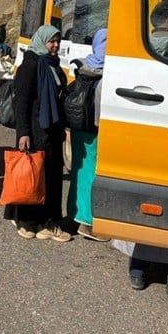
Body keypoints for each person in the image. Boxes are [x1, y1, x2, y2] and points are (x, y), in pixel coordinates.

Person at [4, 24, 71, 242]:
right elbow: (21, 102)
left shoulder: (53, 65)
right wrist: (23, 132)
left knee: (50, 176)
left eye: (58, 41)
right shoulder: (31, 65)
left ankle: (48, 221)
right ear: (42, 41)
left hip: (51, 130)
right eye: (52, 41)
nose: (55, 45)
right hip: (33, 130)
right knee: (31, 175)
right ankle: (26, 221)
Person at [66, 28, 108, 242]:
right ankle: (88, 222)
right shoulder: (106, 70)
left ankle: (73, 213)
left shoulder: (85, 65)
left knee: (79, 172)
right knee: (93, 174)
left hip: (78, 126)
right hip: (96, 129)